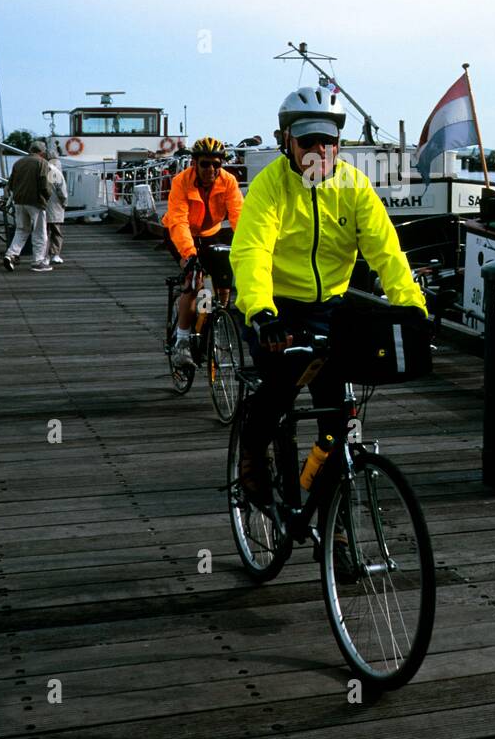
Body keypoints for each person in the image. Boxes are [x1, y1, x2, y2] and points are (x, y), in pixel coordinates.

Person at [230, 85, 428, 501]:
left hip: (330, 308)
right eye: (308, 141)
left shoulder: (354, 187)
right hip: (277, 307)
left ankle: (332, 524)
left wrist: (411, 305)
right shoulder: (269, 188)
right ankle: (252, 449)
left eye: (329, 141)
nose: (319, 151)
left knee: (337, 421)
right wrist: (262, 311)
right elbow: (252, 252)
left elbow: (386, 250)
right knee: (283, 384)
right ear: (287, 141)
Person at [162, 136, 243, 369]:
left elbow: (239, 215)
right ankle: (183, 341)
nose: (211, 169)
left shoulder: (228, 182)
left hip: (210, 233)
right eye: (205, 164)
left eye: (217, 164)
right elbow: (178, 221)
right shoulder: (181, 182)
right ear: (194, 163)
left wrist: (248, 244)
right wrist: (188, 255)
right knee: (195, 281)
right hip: (179, 233)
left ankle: (213, 326)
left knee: (222, 286)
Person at [4, 141, 52, 272]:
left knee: (21, 230)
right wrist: (47, 197)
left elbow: (11, 184)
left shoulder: (18, 163)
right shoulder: (42, 163)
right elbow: (44, 184)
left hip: (19, 201)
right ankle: (38, 261)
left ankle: (11, 254)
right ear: (41, 152)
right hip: (35, 201)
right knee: (40, 232)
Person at [45, 153, 69, 264]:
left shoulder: (43, 170)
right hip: (56, 207)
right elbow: (62, 192)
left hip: (43, 206)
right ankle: (55, 254)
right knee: (56, 232)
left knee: (44, 233)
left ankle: (44, 255)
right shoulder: (56, 172)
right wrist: (65, 203)